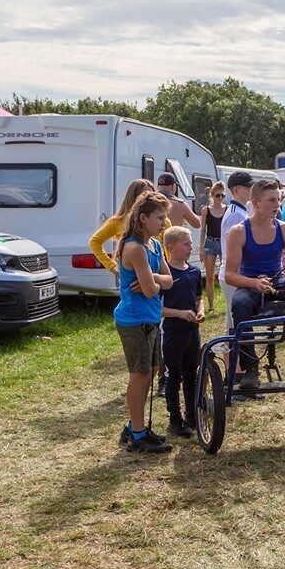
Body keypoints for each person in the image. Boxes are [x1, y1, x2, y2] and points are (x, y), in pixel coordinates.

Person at [224, 179, 285, 389]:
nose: (277, 204)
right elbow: (230, 275)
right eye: (271, 200)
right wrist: (253, 282)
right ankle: (250, 368)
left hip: (277, 281)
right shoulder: (238, 231)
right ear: (256, 203)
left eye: (278, 199)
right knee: (240, 304)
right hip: (250, 282)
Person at [113, 191, 174, 453]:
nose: (164, 223)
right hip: (134, 320)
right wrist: (154, 282)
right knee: (139, 374)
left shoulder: (155, 246)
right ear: (142, 218)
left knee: (151, 372)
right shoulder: (135, 248)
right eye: (159, 217)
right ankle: (137, 434)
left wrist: (155, 279)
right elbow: (149, 291)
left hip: (150, 317)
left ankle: (134, 425)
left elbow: (168, 281)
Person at [161, 226, 204, 438]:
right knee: (173, 375)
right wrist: (178, 313)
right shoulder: (164, 275)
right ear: (171, 248)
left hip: (192, 331)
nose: (191, 247)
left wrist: (201, 311)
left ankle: (192, 414)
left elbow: (199, 299)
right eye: (186, 244)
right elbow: (157, 309)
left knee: (191, 374)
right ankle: (174, 419)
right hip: (172, 332)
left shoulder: (194, 271)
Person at [89, 179, 167, 274]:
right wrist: (112, 267)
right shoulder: (117, 221)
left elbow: (169, 250)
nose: (148, 200)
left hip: (158, 274)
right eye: (144, 196)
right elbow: (94, 242)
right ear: (133, 198)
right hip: (132, 278)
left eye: (151, 195)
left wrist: (167, 273)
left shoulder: (164, 221)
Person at [218, 172, 254, 353]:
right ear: (236, 190)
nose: (251, 190)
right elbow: (234, 248)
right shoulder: (235, 215)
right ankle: (234, 368)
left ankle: (233, 365)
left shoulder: (241, 211)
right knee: (235, 325)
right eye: (248, 187)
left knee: (233, 323)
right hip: (233, 275)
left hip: (237, 274)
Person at [199, 181, 227, 313]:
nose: (220, 198)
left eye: (222, 196)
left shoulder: (227, 209)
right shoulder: (206, 210)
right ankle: (211, 306)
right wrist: (200, 249)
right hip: (210, 242)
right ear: (212, 195)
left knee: (226, 273)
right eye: (217, 195)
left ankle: (228, 300)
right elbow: (203, 230)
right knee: (209, 277)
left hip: (223, 242)